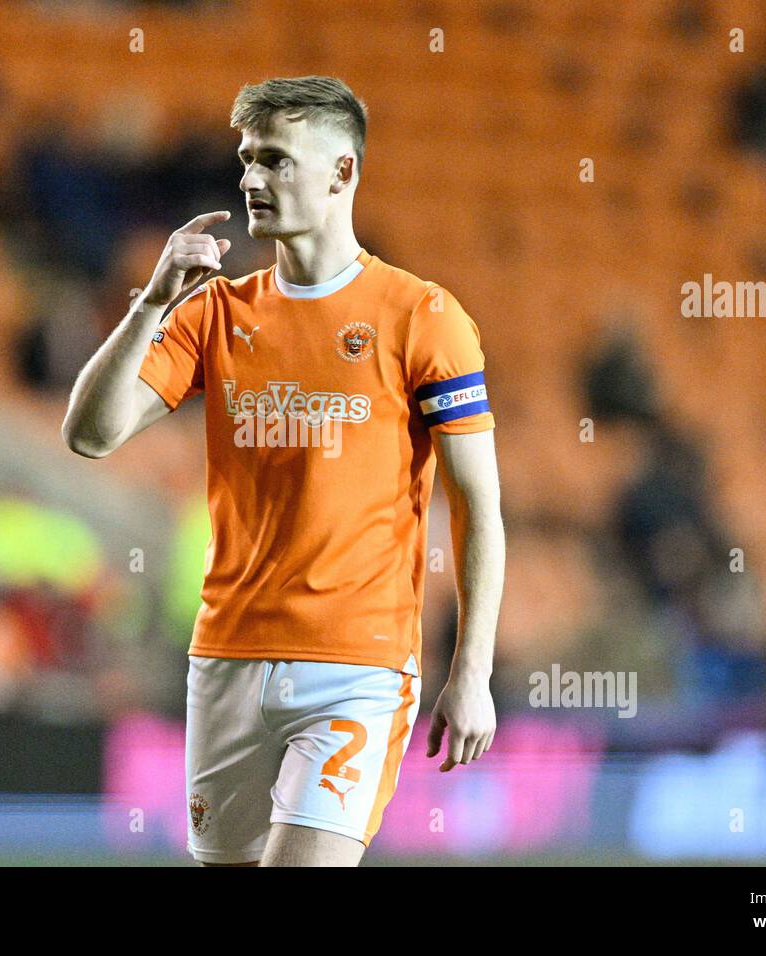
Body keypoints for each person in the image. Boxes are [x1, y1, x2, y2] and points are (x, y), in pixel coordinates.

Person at [62, 76, 506, 866]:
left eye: (274, 160)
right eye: (245, 159)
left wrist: (472, 672)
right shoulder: (217, 312)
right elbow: (92, 434)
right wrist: (150, 304)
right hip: (226, 656)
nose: (250, 179)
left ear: (341, 174)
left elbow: (478, 507)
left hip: (356, 668)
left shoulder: (423, 317)